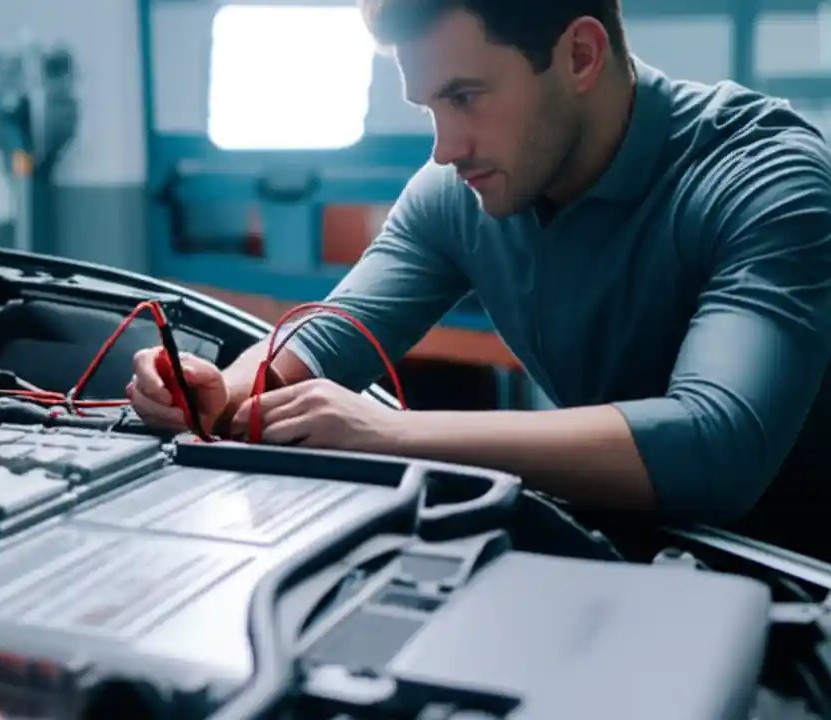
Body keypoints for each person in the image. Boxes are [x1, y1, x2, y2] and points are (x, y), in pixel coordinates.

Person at [128, 0, 831, 552]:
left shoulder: (766, 179)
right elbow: (333, 337)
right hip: (644, 551)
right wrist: (227, 387)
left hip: (798, 580)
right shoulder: (457, 194)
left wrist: (394, 434)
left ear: (580, 54)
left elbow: (718, 444)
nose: (446, 146)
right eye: (430, 105)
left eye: (464, 97)